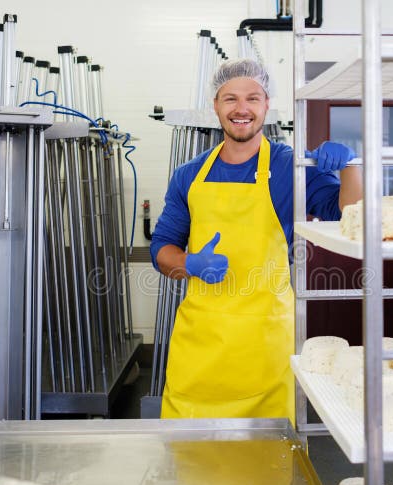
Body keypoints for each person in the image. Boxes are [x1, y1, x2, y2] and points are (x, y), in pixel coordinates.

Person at [150, 58, 362, 423]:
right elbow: (162, 249)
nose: (241, 108)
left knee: (268, 465)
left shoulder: (290, 168)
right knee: (189, 463)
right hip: (200, 347)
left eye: (253, 98)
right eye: (229, 98)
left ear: (267, 105)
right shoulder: (189, 174)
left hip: (265, 347)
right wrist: (190, 264)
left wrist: (351, 166)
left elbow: (351, 216)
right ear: (215, 106)